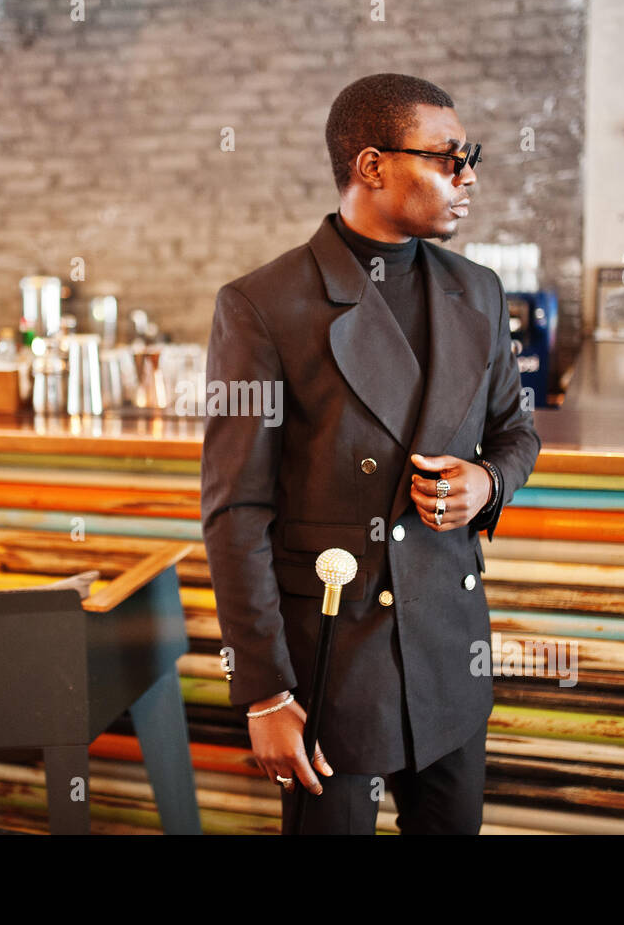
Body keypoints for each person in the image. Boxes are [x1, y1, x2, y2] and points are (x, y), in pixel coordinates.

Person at [200, 73, 542, 834]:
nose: (468, 176)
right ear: (372, 165)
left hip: (451, 651)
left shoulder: (477, 291)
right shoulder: (262, 304)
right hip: (331, 665)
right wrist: (263, 690)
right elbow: (235, 509)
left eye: (469, 156)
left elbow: (519, 432)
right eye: (447, 157)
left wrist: (487, 481)